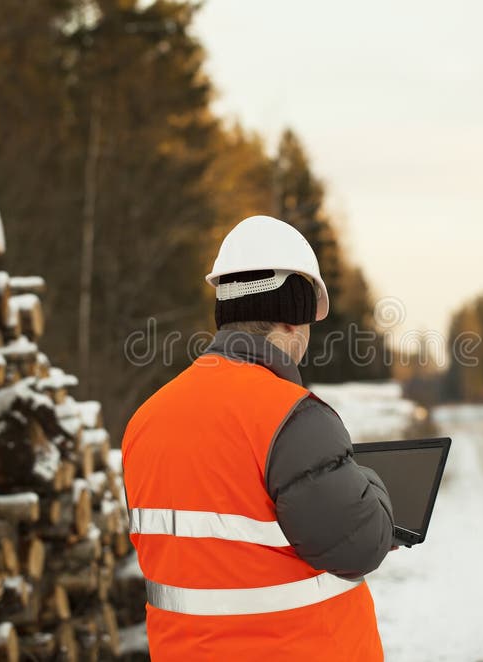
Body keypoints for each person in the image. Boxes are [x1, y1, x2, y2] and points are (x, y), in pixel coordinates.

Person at [121, 215, 394, 661]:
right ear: (292, 318)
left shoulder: (146, 420)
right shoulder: (293, 417)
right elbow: (362, 544)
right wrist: (372, 485)